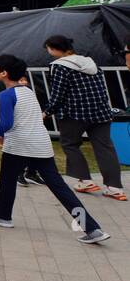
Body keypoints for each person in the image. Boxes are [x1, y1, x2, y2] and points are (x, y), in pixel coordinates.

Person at [0, 54, 109, 244]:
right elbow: (24, 119)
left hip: (19, 147)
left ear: (4, 73)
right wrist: (2, 134)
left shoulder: (6, 95)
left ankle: (3, 217)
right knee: (59, 187)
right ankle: (92, 228)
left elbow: (6, 122)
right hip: (40, 145)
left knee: (6, 183)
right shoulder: (27, 91)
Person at [41, 35, 124, 201]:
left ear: (54, 48)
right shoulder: (90, 62)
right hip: (100, 111)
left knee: (70, 144)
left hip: (74, 113)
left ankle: (85, 180)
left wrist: (47, 112)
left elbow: (58, 94)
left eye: (49, 49)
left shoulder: (59, 67)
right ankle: (115, 188)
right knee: (105, 147)